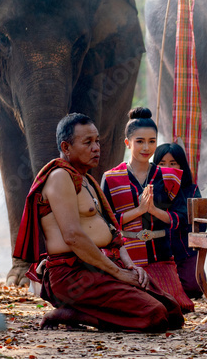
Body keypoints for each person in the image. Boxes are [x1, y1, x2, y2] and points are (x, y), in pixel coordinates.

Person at [13, 113, 184, 331]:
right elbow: (73, 237)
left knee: (172, 312)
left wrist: (130, 265)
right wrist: (118, 272)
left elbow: (112, 232)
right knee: (155, 316)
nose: (96, 148)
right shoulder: (60, 177)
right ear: (66, 147)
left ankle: (84, 311)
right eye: (88, 142)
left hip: (101, 267)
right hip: (73, 276)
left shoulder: (86, 179)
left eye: (97, 141)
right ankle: (71, 314)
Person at [101, 108, 194, 313]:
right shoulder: (110, 178)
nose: (146, 147)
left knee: (173, 309)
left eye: (152, 141)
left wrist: (153, 210)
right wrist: (139, 210)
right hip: (125, 259)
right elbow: (104, 223)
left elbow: (180, 218)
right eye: (140, 141)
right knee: (135, 307)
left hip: (161, 257)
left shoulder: (170, 177)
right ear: (127, 143)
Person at [152, 142, 202, 299]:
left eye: (173, 163)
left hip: (185, 250)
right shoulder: (150, 188)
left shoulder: (191, 190)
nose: (167, 168)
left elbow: (190, 218)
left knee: (194, 287)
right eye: (162, 164)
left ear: (182, 166)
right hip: (159, 252)